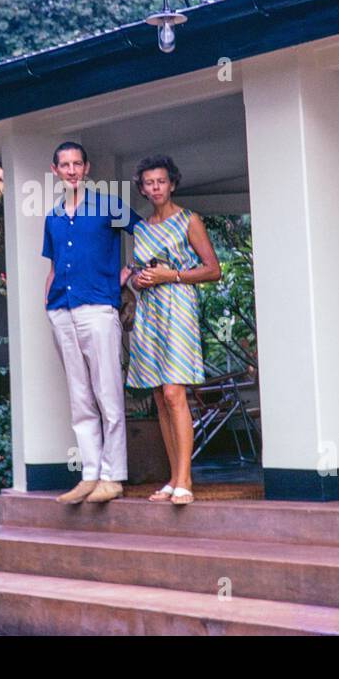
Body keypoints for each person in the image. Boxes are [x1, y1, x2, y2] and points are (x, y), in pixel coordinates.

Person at [43, 141, 141, 503]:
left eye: (77, 164)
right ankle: (89, 473)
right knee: (80, 397)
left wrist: (128, 273)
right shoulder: (53, 217)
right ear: (55, 170)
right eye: (64, 165)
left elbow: (143, 231)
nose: (71, 170)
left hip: (98, 309)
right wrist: (48, 302)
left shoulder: (107, 205)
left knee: (108, 393)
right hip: (62, 312)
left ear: (86, 168)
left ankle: (113, 477)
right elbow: (53, 267)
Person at [125, 154, 221, 505]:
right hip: (150, 311)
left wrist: (172, 275)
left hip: (179, 307)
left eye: (161, 181)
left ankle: (185, 480)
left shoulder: (188, 220)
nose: (156, 187)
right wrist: (140, 278)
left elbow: (213, 270)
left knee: (173, 393)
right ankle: (174, 477)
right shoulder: (141, 228)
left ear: (172, 184)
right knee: (158, 398)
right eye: (149, 183)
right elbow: (141, 271)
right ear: (143, 189)